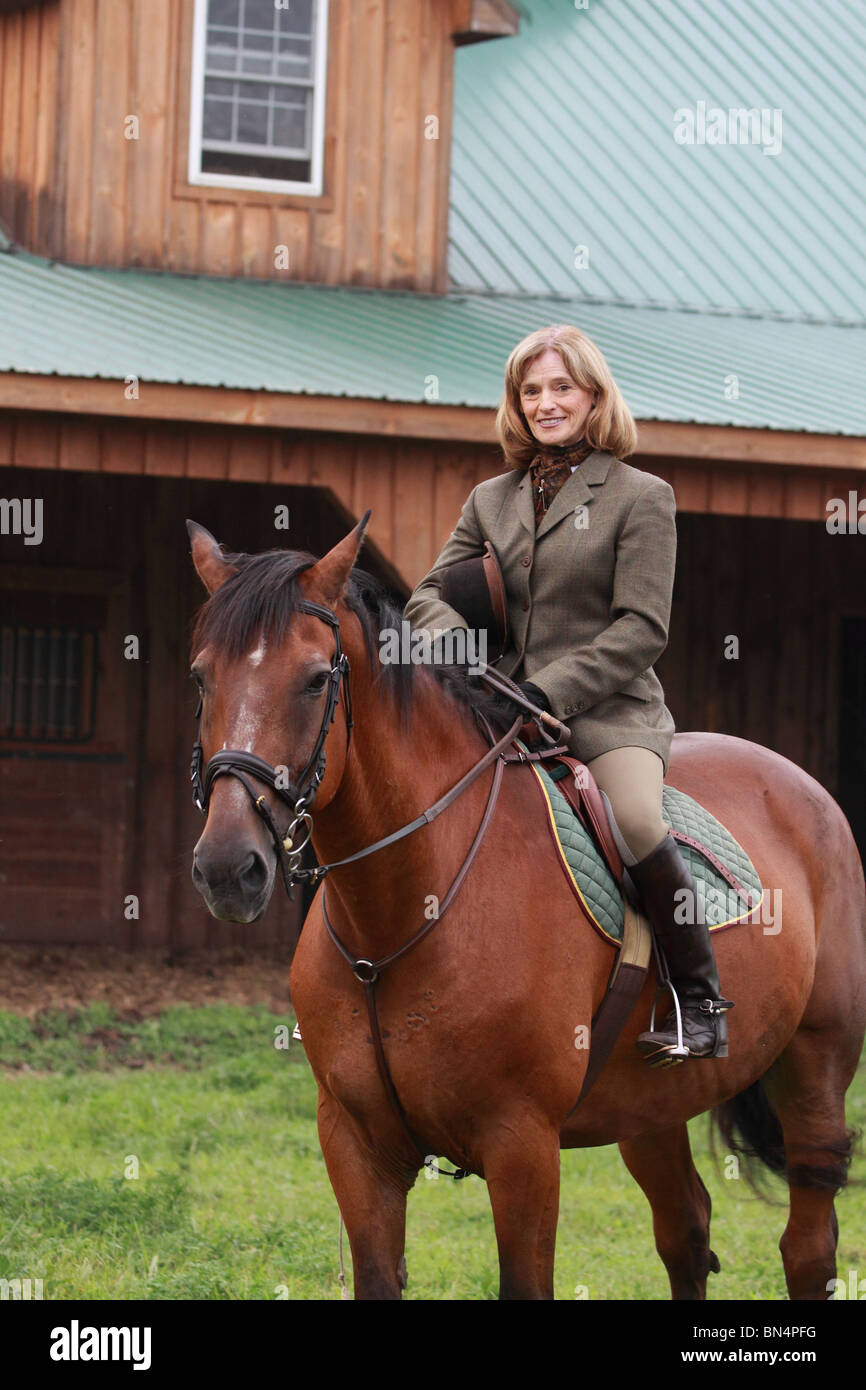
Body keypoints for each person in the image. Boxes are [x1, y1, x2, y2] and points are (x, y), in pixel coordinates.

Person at [403, 324, 733, 1064]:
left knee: (638, 820)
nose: (546, 404)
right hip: (496, 709)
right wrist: (459, 650)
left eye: (560, 388)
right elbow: (427, 593)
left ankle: (700, 997)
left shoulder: (643, 497)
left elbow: (641, 630)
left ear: (593, 395)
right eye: (531, 392)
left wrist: (542, 690)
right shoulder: (490, 500)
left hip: (607, 713)